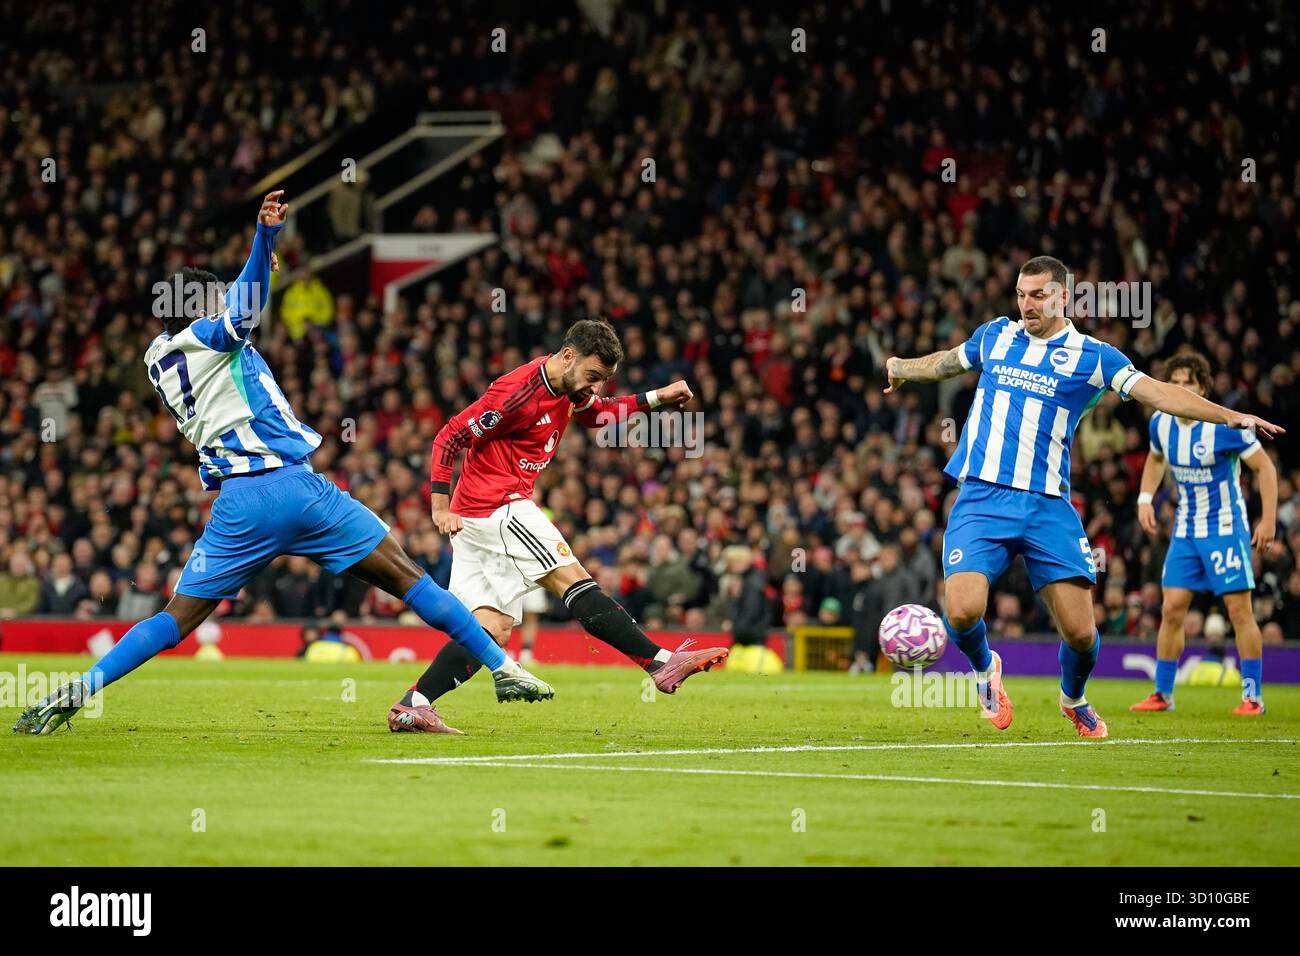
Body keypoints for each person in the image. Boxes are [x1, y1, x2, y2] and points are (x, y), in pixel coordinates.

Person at [14, 191, 551, 738]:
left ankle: (81, 687)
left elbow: (239, 308)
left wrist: (259, 270)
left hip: (238, 506)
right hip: (295, 489)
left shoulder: (158, 356)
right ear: (201, 308)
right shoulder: (209, 336)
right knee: (411, 580)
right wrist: (264, 238)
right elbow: (241, 314)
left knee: (173, 620)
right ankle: (502, 667)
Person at [885, 255, 1283, 738]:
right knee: (962, 610)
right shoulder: (995, 335)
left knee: (1080, 633)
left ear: (1062, 297)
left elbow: (1159, 394)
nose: (1025, 305)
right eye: (1020, 294)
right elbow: (947, 362)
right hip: (981, 496)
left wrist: (1228, 416)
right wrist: (900, 366)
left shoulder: (1094, 356)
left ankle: (1073, 698)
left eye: (1036, 295)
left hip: (1048, 506)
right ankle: (986, 672)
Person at [392, 319, 728, 733]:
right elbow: (449, 436)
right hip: (498, 506)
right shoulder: (516, 393)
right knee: (570, 578)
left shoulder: (570, 389)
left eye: (603, 379)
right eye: (592, 377)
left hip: (478, 518)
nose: (595, 388)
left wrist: (658, 397)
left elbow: (600, 415)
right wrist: (439, 508)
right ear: (568, 356)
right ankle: (659, 662)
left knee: (490, 630)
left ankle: (414, 703)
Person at [1130, 351, 1277, 715]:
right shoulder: (1161, 424)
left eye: (1188, 383)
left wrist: (1268, 520)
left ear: (1203, 389)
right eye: (1174, 382)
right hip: (1185, 531)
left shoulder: (1222, 427)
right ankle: (1163, 694)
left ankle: (1252, 696)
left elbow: (1266, 468)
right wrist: (1145, 498)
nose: (1180, 389)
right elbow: (1154, 458)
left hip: (1225, 528)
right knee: (1172, 608)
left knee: (1239, 611)